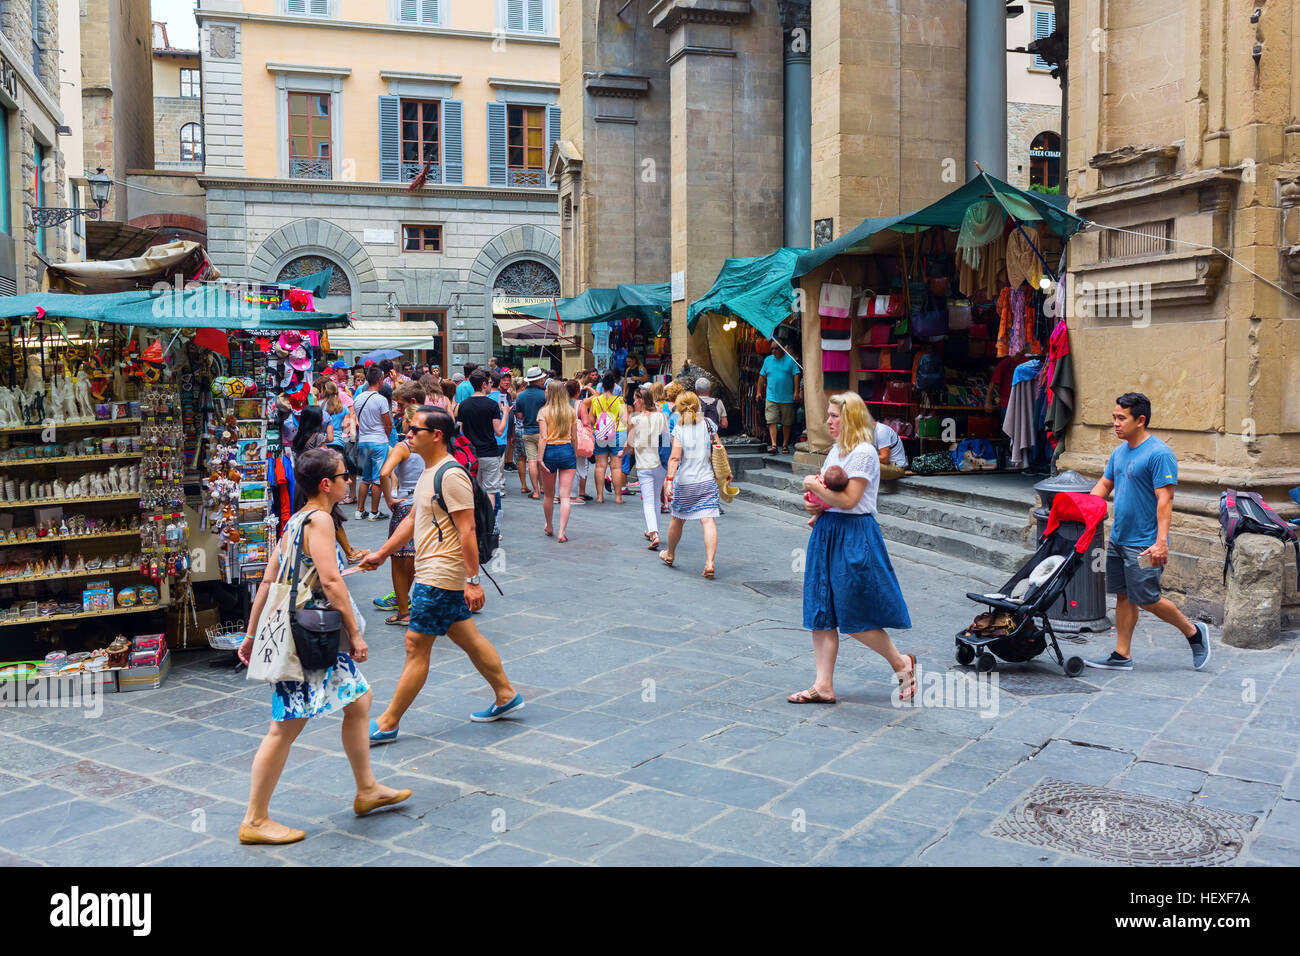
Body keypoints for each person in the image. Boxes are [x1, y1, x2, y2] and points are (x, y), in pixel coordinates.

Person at [236, 447, 410, 845]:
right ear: (326, 484)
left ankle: (366, 789)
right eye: (345, 475)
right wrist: (358, 633)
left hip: (314, 636)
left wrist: (250, 634)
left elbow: (269, 581)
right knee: (283, 727)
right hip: (310, 638)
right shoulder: (320, 520)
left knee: (359, 701)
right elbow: (330, 584)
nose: (350, 480)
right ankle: (255, 819)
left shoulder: (296, 520)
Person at [361, 407, 523, 742]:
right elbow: (412, 520)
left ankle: (389, 721)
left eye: (414, 430)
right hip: (436, 572)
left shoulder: (450, 475)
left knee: (415, 645)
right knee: (469, 639)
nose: (407, 435)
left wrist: (472, 580)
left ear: (437, 435)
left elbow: (467, 530)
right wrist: (382, 553)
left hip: (440, 574)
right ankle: (506, 695)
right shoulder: (429, 470)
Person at [790, 392, 916, 704]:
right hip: (827, 532)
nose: (828, 421)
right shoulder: (836, 451)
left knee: (853, 612)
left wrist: (813, 486)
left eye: (835, 416)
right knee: (821, 610)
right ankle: (823, 685)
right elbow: (829, 499)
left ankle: (901, 663)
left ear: (852, 419)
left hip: (854, 535)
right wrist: (814, 505)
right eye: (829, 415)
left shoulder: (863, 453)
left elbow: (849, 501)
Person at [1085, 393, 1210, 671]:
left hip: (1143, 544)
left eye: (1121, 418)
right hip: (1118, 539)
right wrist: (1087, 509)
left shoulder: (1160, 454)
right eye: (1114, 417)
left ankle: (1193, 632)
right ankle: (1122, 654)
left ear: (1140, 420)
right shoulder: (1119, 452)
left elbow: (1165, 500)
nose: (1115, 423)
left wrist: (1161, 543)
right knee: (1123, 596)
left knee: (1147, 598)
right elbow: (1105, 485)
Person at [660, 391, 721, 578]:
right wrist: (726, 473)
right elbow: (719, 448)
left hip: (686, 482)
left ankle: (670, 554)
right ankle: (709, 563)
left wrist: (669, 480)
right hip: (707, 480)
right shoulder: (709, 425)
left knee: (677, 519)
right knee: (708, 520)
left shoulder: (679, 428)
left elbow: (675, 457)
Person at [377, 404, 427, 628]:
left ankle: (404, 611)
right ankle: (412, 604)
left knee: (398, 560)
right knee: (415, 557)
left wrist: (388, 498)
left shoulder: (403, 447)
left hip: (405, 504)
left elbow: (384, 473)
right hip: (425, 505)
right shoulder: (431, 446)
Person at [457, 369, 507, 525]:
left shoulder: (463, 406)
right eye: (490, 383)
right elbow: (498, 431)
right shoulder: (492, 405)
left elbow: (460, 431)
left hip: (471, 454)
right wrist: (505, 413)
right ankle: (489, 526)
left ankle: (474, 524)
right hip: (490, 452)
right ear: (484, 384)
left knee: (472, 491)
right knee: (491, 491)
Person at [628, 385, 669, 550]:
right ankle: (654, 530)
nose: (633, 402)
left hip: (644, 464)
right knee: (655, 500)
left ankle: (654, 532)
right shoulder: (661, 417)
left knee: (648, 501)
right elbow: (667, 441)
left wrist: (622, 452)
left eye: (635, 399)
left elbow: (630, 444)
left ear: (640, 401)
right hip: (659, 463)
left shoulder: (635, 419)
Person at [537, 380, 578, 542]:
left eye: (547, 390)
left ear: (551, 393)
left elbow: (543, 437)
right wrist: (573, 453)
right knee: (565, 496)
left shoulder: (543, 412)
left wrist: (539, 458)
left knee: (548, 495)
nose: (545, 392)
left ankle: (549, 525)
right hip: (567, 449)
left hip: (550, 452)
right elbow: (574, 437)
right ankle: (562, 532)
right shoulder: (570, 411)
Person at [352, 366, 392, 521]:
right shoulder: (380, 399)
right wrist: (386, 437)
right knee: (377, 478)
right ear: (380, 380)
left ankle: (359, 510)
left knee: (365, 478)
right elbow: (387, 423)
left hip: (363, 442)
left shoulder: (358, 398)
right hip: (378, 441)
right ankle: (374, 512)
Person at [756, 342, 801, 454]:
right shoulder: (768, 360)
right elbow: (762, 376)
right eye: (772, 349)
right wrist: (758, 392)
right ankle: (774, 445)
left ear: (782, 348)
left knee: (787, 422)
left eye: (776, 348)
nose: (774, 351)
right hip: (771, 396)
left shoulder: (790, 360)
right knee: (772, 420)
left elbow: (796, 375)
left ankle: (785, 445)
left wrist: (796, 391)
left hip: (787, 397)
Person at [590, 371, 627, 504]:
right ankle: (618, 497)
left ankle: (600, 496)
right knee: (616, 467)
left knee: (600, 466)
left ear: (602, 386)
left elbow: (591, 419)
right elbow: (624, 419)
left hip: (599, 433)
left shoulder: (595, 400)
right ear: (613, 386)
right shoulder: (620, 400)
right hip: (617, 433)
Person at [514, 366, 548, 500]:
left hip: (527, 432)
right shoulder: (544, 395)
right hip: (542, 432)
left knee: (532, 461)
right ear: (538, 380)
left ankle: (535, 491)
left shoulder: (520, 396)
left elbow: (520, 416)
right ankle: (543, 486)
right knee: (542, 460)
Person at [564, 379, 593, 502]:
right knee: (576, 465)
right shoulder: (580, 404)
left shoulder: (562, 403)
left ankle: (560, 493)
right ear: (577, 391)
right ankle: (573, 495)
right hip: (576, 438)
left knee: (563, 466)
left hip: (562, 436)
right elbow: (586, 422)